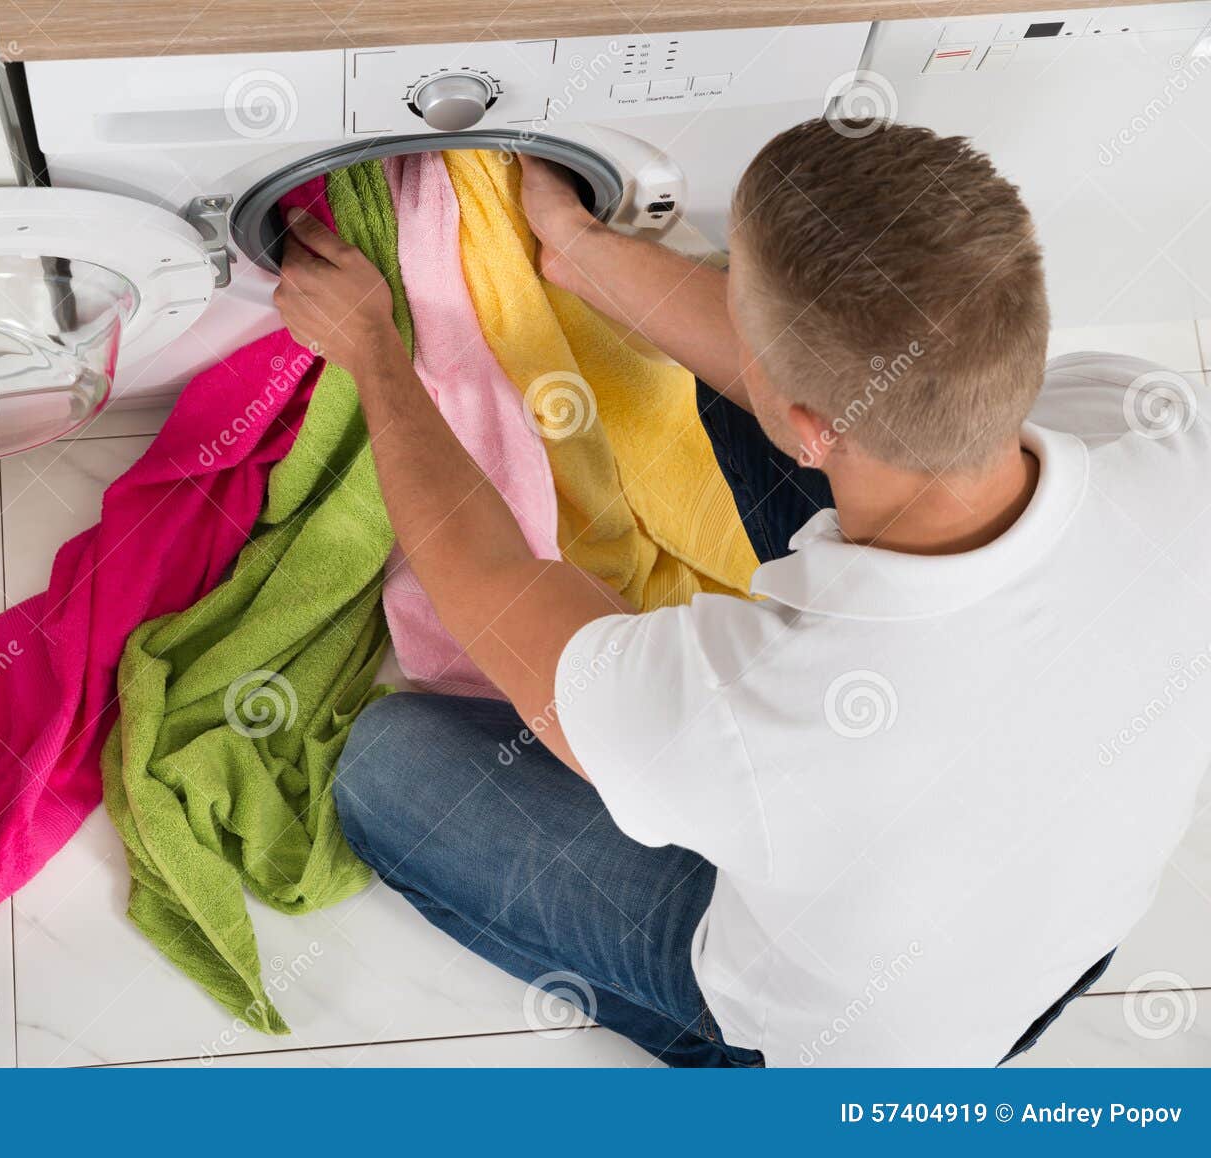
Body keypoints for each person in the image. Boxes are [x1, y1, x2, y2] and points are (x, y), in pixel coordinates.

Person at [271, 119, 1211, 1066]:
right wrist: (580, 250)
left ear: (810, 427)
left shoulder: (768, 709)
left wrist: (374, 352)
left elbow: (490, 582)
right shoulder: (1167, 434)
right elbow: (829, 387)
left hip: (869, 1047)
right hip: (1054, 941)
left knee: (388, 770)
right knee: (758, 388)